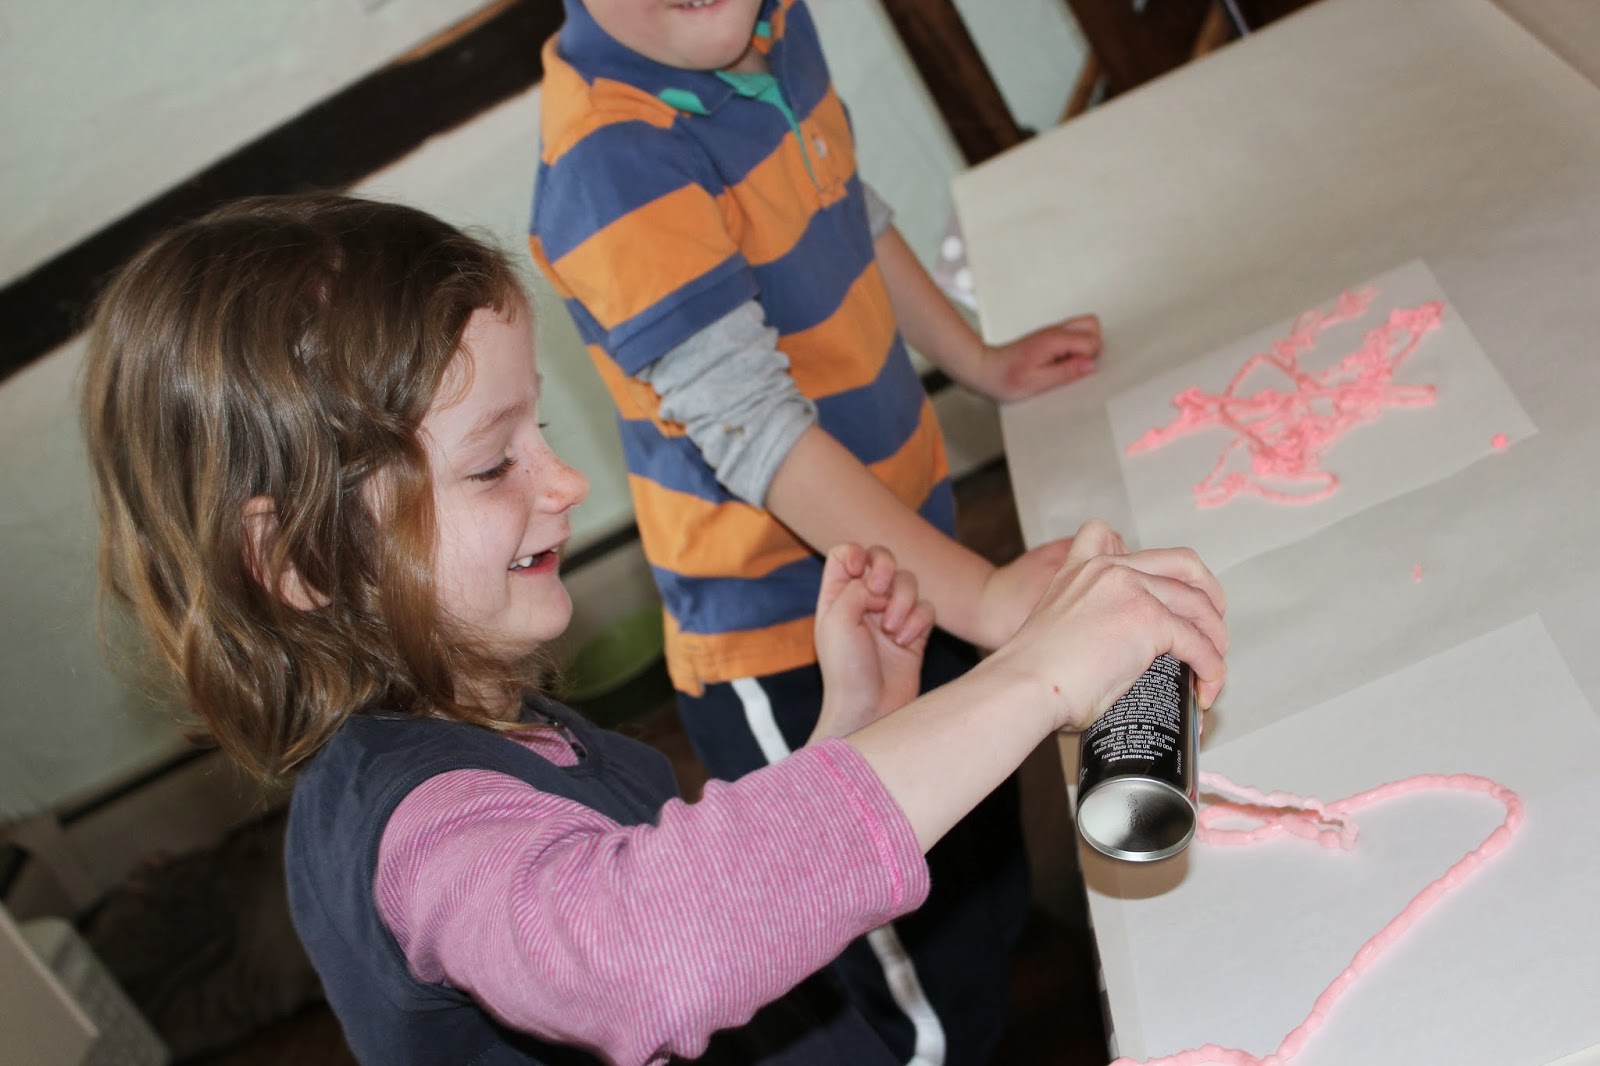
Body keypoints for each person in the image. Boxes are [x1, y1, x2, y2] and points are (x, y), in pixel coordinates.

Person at [81, 194, 1227, 1065]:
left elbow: (702, 888)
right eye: (493, 463)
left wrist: (850, 729)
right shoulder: (415, 832)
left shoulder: (480, 719)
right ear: (296, 561)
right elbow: (644, 950)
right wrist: (1034, 675)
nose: (567, 480)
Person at [530, 1, 1107, 1058]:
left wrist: (976, 361)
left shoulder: (777, 20)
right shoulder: (610, 164)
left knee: (981, 876)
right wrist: (976, 598)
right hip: (789, 642)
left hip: (908, 559)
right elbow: (759, 436)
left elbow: (849, 204)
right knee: (916, 989)